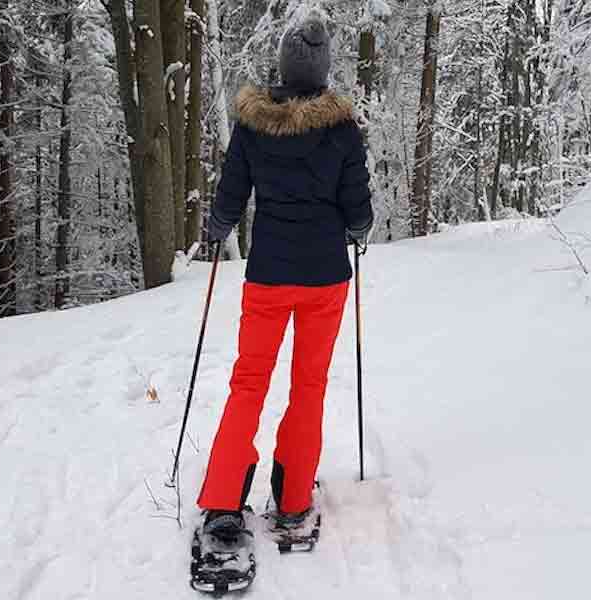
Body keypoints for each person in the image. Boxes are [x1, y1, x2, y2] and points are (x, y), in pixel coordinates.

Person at [197, 9, 374, 543]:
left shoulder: (254, 127)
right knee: (309, 385)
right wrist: (358, 227)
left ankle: (225, 499)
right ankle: (295, 498)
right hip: (324, 278)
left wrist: (217, 226)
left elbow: (231, 193)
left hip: (269, 274)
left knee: (248, 382)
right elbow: (358, 208)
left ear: (283, 66)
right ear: (322, 71)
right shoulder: (342, 130)